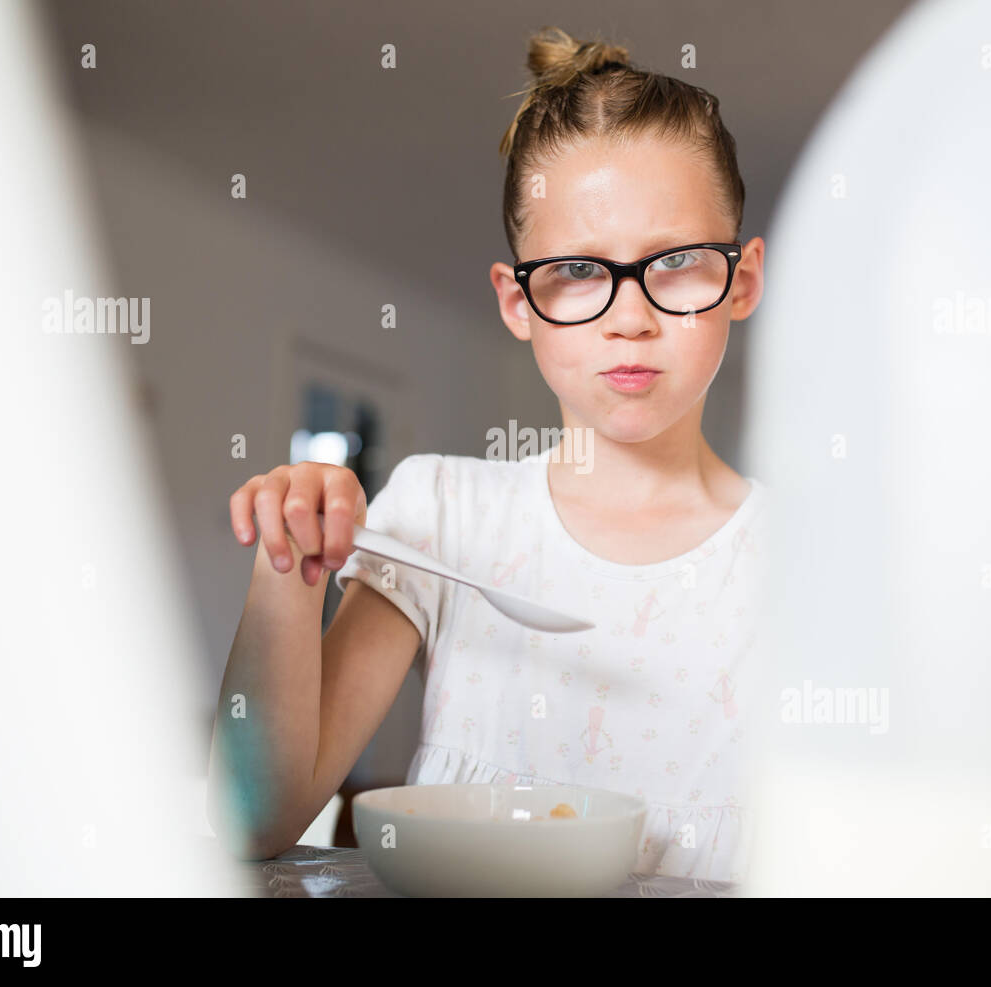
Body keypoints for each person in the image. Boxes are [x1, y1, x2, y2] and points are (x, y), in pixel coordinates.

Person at [209, 25, 767, 882]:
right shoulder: (440, 515)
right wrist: (287, 558)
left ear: (743, 280)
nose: (630, 316)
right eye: (579, 270)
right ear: (518, 302)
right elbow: (254, 819)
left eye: (680, 261)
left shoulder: (800, 556)